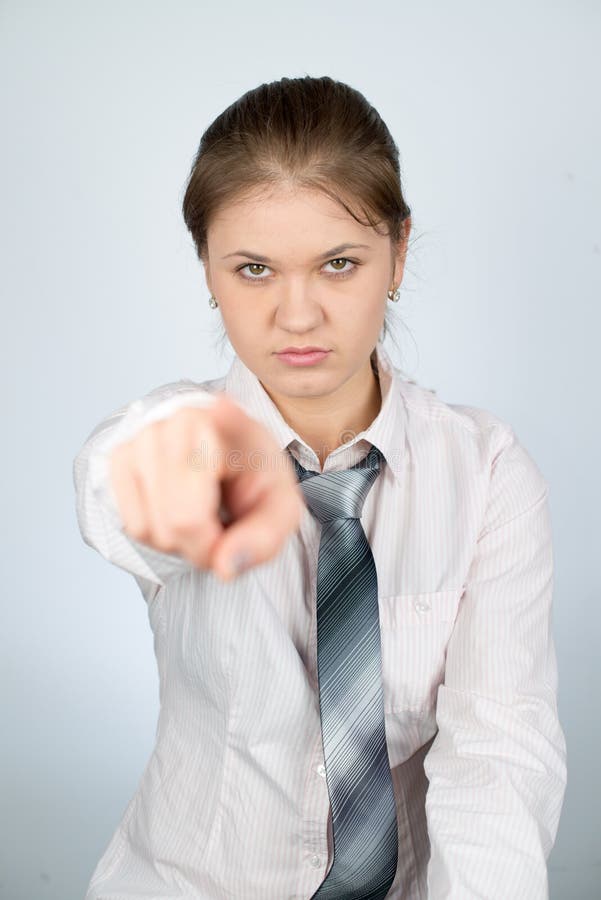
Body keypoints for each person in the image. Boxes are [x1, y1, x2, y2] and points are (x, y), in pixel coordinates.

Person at [73, 75, 567, 900]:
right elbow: (115, 489)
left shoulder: (484, 472)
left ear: (399, 254)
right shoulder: (185, 433)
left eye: (338, 264)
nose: (296, 315)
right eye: (253, 269)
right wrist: (169, 482)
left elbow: (499, 754)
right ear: (206, 268)